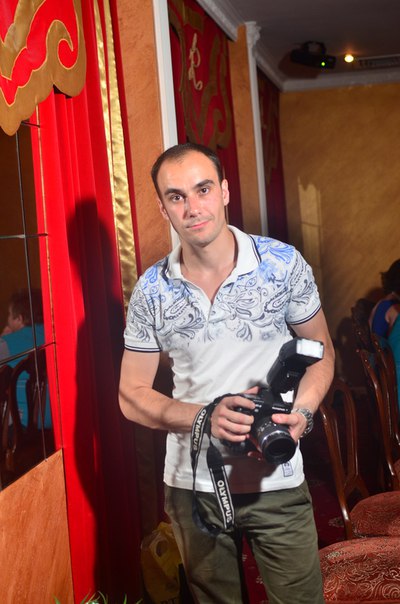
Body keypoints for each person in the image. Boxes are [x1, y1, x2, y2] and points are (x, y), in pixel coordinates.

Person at [119, 143, 335, 604]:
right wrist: (204, 417)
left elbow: (321, 352)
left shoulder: (282, 264)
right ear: (162, 207)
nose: (192, 207)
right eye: (176, 196)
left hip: (275, 477)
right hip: (192, 487)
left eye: (202, 190)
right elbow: (130, 394)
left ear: (224, 191)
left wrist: (302, 412)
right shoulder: (151, 290)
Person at [0, 288, 51, 428]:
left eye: (10, 315)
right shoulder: (52, 334)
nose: (7, 320)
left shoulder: (7, 343)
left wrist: (3, 337)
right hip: (54, 418)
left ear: (19, 319)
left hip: (22, 424)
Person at [369, 259, 400, 338]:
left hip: (372, 343)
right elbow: (394, 342)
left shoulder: (382, 302)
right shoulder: (395, 309)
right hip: (380, 345)